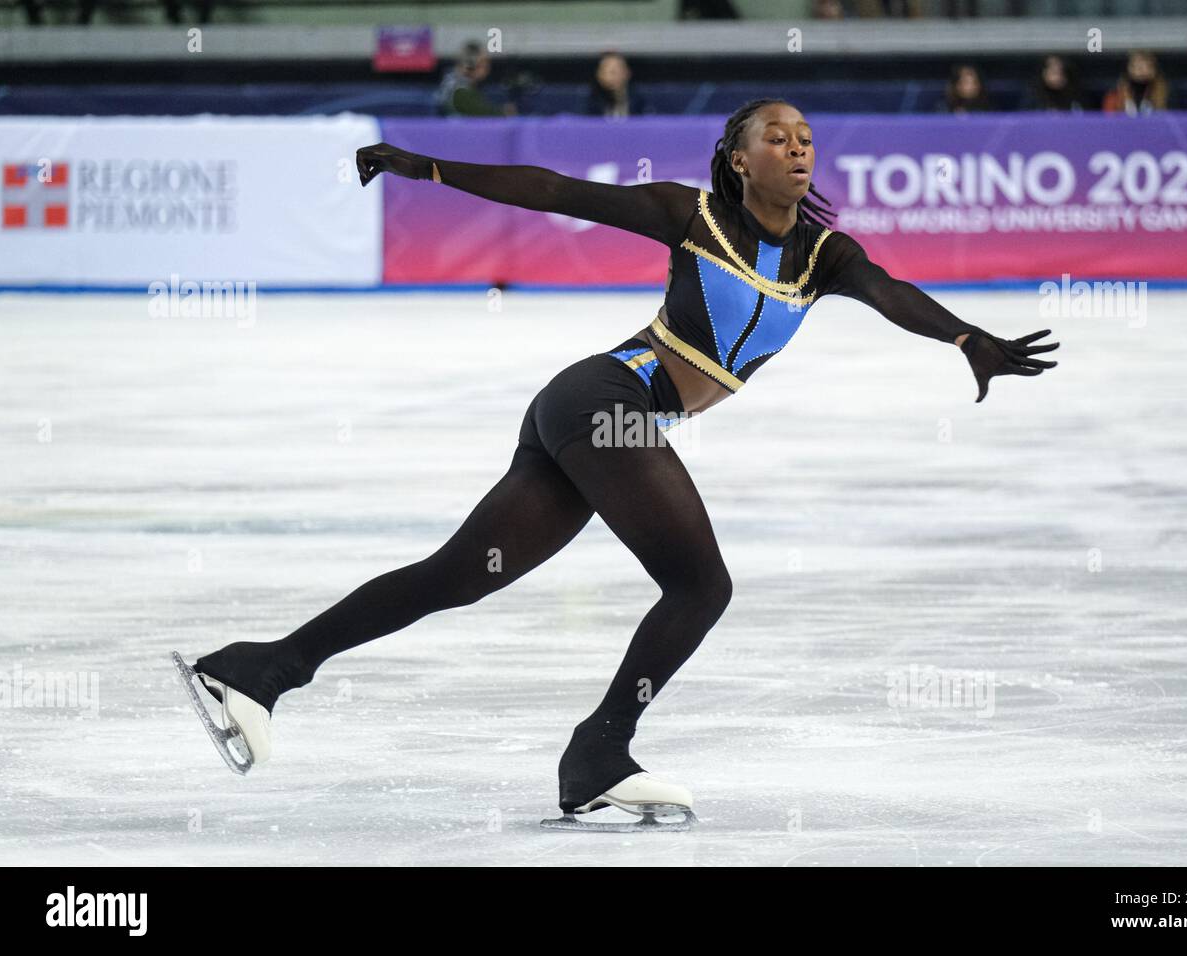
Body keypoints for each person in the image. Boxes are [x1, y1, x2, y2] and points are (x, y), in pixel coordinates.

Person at [179, 98, 1058, 827]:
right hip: (604, 402)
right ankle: (598, 751)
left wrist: (967, 338)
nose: (798, 148)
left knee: (459, 573)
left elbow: (890, 294)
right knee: (701, 586)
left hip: (602, 417)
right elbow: (557, 190)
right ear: (738, 159)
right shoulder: (694, 214)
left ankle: (263, 668)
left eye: (807, 139)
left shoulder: (824, 256)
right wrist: (429, 168)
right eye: (776, 137)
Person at [436, 41, 517, 117]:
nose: (487, 68)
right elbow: (478, 113)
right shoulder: (458, 88)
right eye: (483, 65)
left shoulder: (459, 81)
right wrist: (502, 112)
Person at [1103, 50, 1169, 116]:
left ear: (1155, 69)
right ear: (1128, 68)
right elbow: (1109, 120)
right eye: (1136, 65)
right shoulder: (1115, 95)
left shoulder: (1165, 93)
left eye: (1147, 65)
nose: (1142, 70)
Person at [584, 52, 649, 118]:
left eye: (619, 70)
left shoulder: (639, 100)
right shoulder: (591, 103)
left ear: (628, 73)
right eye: (611, 72)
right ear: (599, 75)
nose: (616, 76)